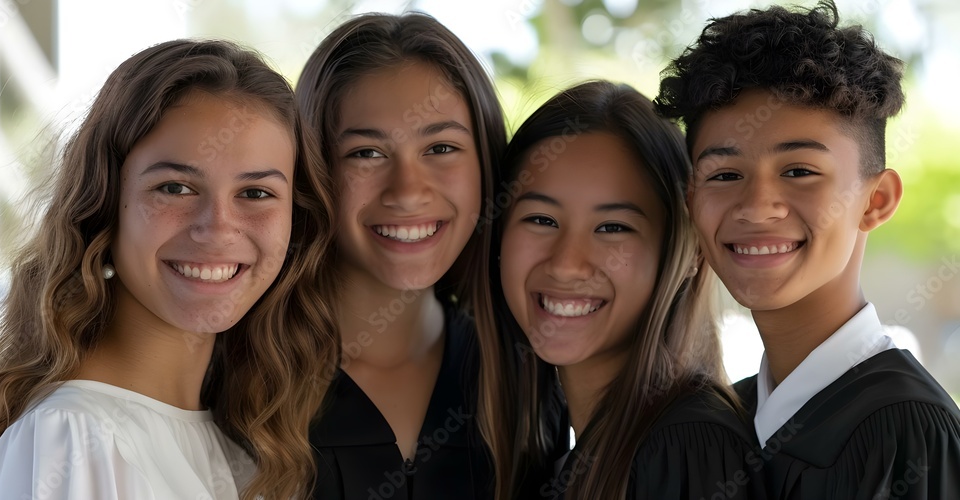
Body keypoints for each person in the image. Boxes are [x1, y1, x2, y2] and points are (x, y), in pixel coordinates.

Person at [0, 39, 338, 500]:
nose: (217, 230)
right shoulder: (72, 438)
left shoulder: (245, 449)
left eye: (256, 193)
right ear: (103, 205)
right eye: (175, 187)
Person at [655, 1, 960, 498]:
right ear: (691, 201)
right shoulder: (727, 417)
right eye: (725, 175)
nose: (756, 207)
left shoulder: (907, 435)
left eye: (799, 171)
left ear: (876, 200)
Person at [495, 80, 762, 499]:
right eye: (541, 220)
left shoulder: (687, 448)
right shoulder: (559, 450)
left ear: (687, 249)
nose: (566, 264)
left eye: (613, 227)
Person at [295, 13, 510, 500]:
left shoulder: (525, 370)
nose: (408, 192)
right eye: (366, 153)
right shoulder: (239, 374)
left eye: (440, 146)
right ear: (313, 170)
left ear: (486, 163)